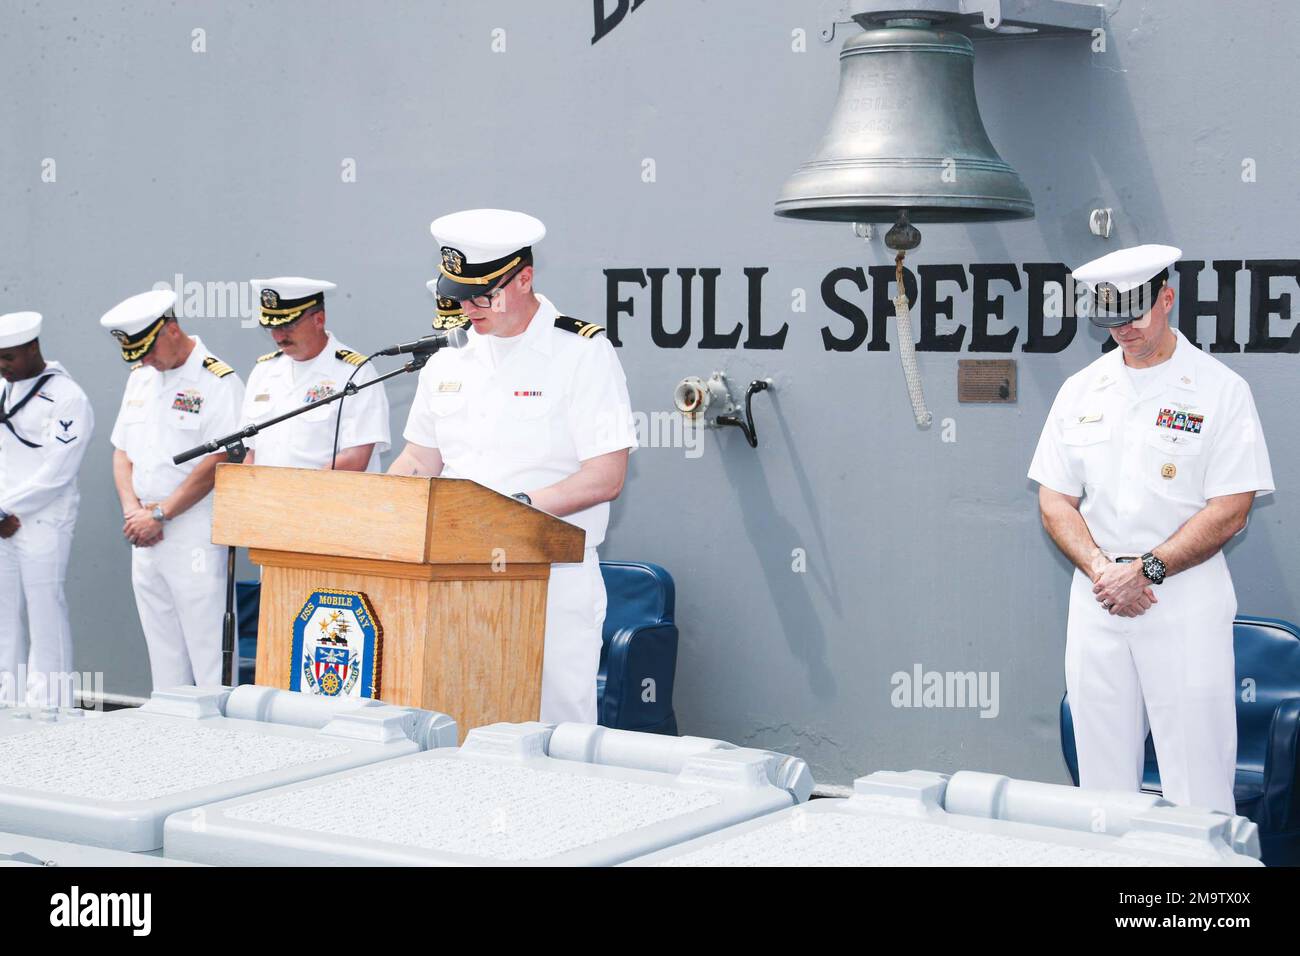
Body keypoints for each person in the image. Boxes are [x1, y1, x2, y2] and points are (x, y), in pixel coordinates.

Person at [1028, 244, 1274, 814]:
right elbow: (1055, 498)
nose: (1124, 330)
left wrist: (1147, 570)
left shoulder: (1220, 390)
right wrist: (1102, 570)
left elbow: (1231, 509)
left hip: (1181, 596)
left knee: (1197, 771)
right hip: (1099, 596)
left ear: (1167, 298)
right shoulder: (1081, 390)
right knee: (1101, 771)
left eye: (1135, 315)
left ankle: (1201, 897)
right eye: (1110, 319)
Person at [389, 208, 637, 723]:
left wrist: (510, 511)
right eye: (458, 293)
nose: (469, 306)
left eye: (482, 293)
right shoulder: (446, 359)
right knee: (462, 713)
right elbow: (420, 459)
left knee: (554, 725)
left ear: (523, 278)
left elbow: (606, 475)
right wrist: (377, 508)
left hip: (550, 573)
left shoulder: (581, 353)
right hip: (457, 573)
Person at [102, 290, 245, 689]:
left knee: (206, 639)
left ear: (172, 331)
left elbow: (221, 459)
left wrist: (161, 513)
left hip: (192, 527)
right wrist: (135, 511)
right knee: (160, 638)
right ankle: (170, 727)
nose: (144, 361)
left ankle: (217, 728)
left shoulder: (218, 380)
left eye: (147, 351)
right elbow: (121, 452)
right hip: (144, 526)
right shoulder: (141, 378)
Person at [0, 311, 94, 706]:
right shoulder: (2, 387)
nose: (2, 366)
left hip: (42, 520)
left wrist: (5, 509)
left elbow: (58, 471)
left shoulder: (67, 396)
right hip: (2, 519)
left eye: (9, 358)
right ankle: (8, 698)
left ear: (32, 348)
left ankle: (51, 705)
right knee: (3, 615)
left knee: (44, 612)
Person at [241, 278, 389, 471]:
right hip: (266, 498)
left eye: (287, 326)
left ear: (319, 320)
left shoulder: (355, 372)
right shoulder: (264, 370)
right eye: (271, 327)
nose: (278, 337)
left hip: (326, 498)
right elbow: (250, 451)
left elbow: (355, 458)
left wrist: (296, 495)